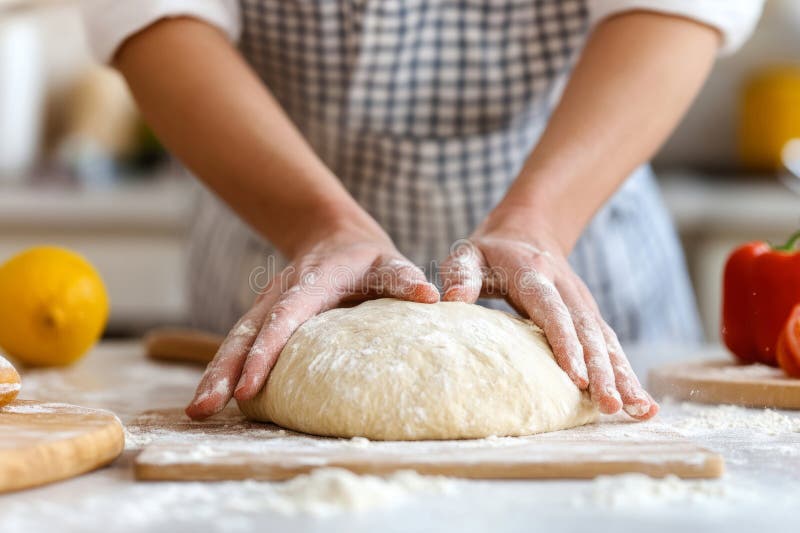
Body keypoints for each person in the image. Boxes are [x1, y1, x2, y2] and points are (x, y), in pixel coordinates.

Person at [82, 1, 763, 422]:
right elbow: (152, 13)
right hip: (274, 229)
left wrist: (540, 220)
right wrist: (319, 222)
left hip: (577, 230)